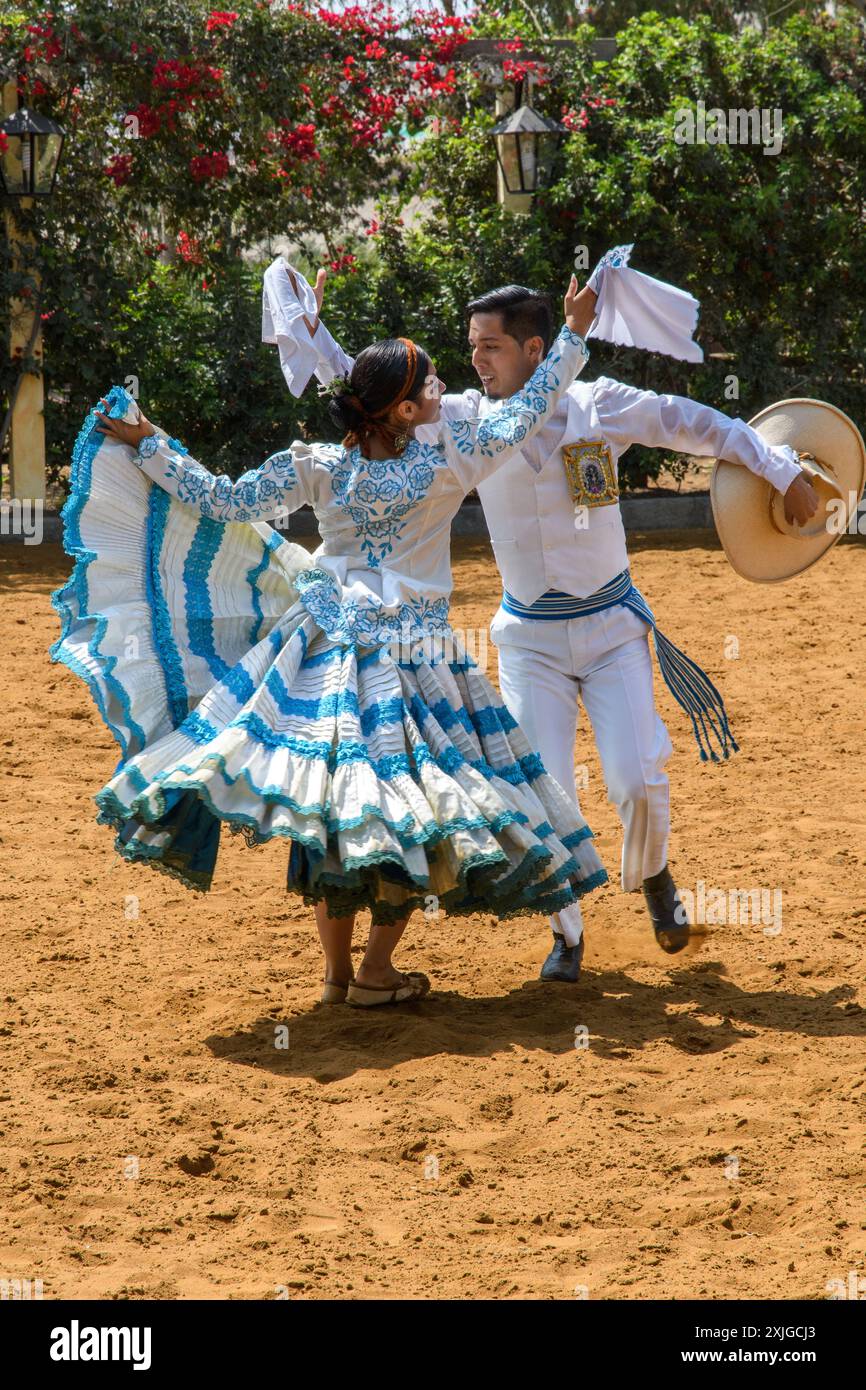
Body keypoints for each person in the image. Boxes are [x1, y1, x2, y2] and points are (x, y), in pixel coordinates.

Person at [52, 269, 609, 1010]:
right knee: (410, 807)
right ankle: (376, 972)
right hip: (412, 658)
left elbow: (218, 499)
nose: (446, 387)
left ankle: (338, 976)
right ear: (405, 410)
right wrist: (573, 335)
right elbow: (533, 404)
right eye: (431, 386)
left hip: (318, 647)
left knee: (337, 809)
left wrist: (151, 442)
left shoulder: (320, 467)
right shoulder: (453, 462)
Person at [415, 281, 820, 981]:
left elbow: (702, 424)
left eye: (491, 346)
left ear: (535, 349)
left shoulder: (599, 404)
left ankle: (655, 877)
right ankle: (567, 935)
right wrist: (308, 332)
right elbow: (380, 406)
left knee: (637, 779)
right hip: (529, 640)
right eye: (472, 346)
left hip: (611, 629)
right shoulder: (461, 418)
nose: (476, 360)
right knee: (543, 794)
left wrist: (782, 471)